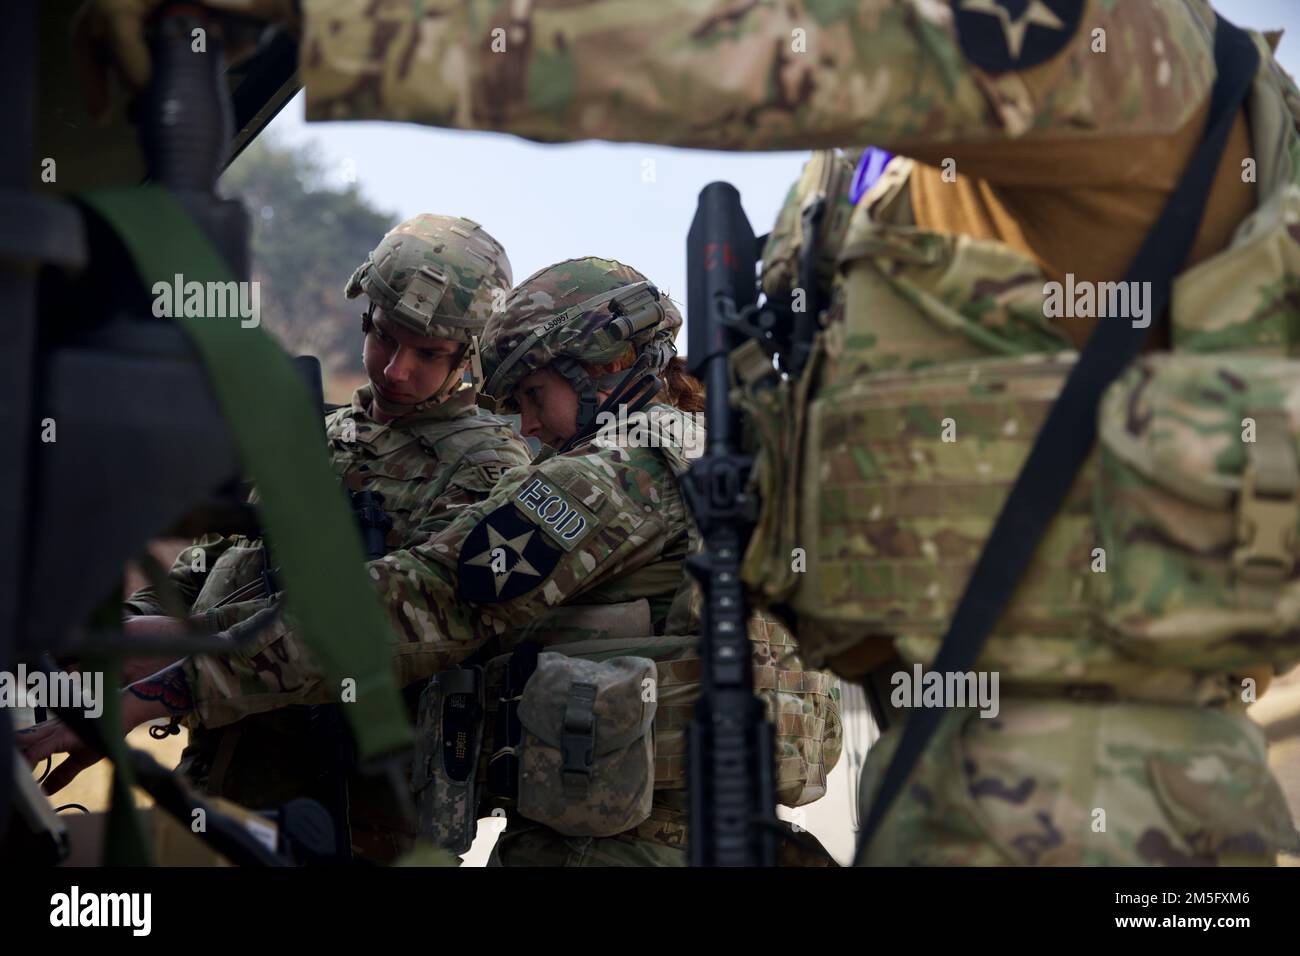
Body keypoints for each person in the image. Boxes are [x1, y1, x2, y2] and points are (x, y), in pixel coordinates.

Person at [69, 0, 1300, 865]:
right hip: (953, 762)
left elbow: (734, 48)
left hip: (1096, 780)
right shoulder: (882, 174)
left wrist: (339, 27)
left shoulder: (1099, 51)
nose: (506, 417)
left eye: (526, 389)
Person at [22, 257, 841, 865]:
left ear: (603, 372)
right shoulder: (717, 461)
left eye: (535, 397)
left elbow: (432, 603)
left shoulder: (617, 476)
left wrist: (186, 674)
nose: (530, 427)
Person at [117, 213, 533, 862]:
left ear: (469, 356)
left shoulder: (487, 469)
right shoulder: (323, 434)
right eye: (384, 337)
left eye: (429, 355)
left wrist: (179, 648)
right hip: (223, 782)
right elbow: (216, 563)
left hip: (361, 820)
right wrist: (130, 628)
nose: (395, 370)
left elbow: (401, 624)